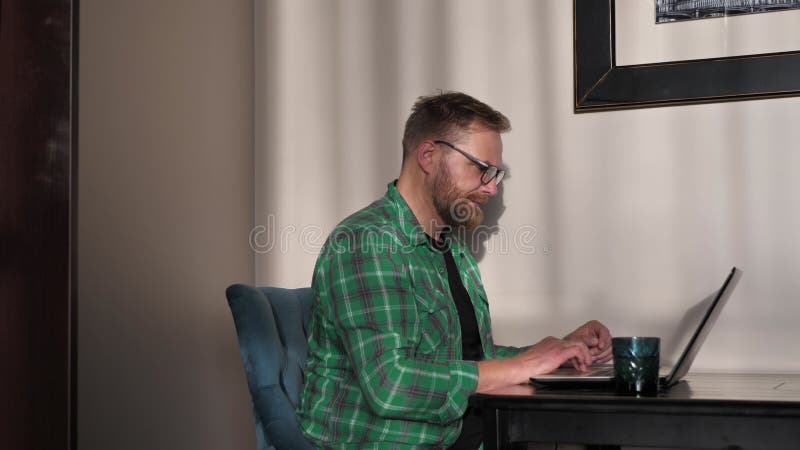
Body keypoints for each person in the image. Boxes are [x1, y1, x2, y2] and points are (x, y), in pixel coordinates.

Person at [296, 91, 612, 449]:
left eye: (497, 175)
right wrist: (523, 366)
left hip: (463, 432)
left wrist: (557, 352)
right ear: (429, 156)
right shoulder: (365, 243)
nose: (492, 188)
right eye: (482, 169)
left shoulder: (450, 248)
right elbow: (391, 385)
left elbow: (471, 362)